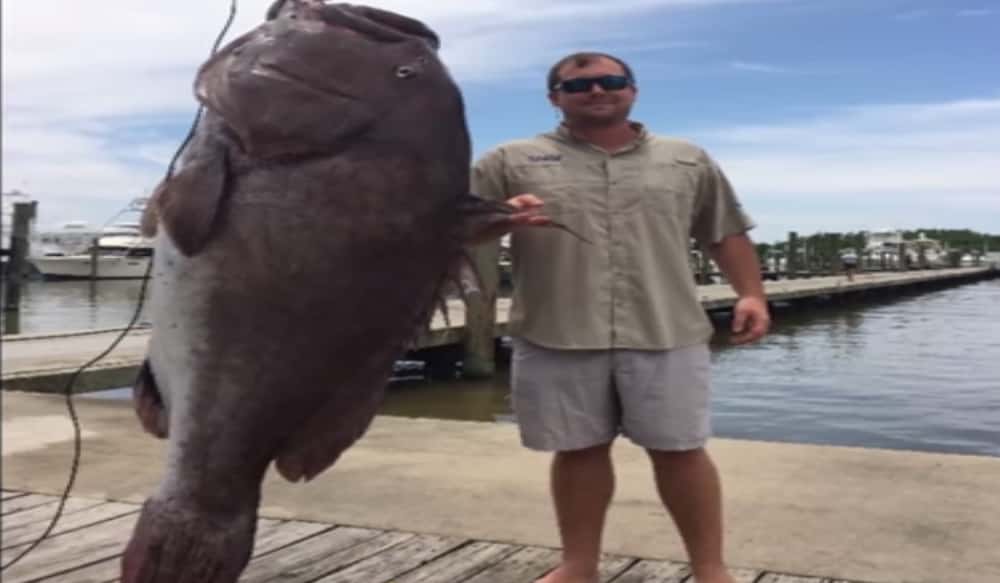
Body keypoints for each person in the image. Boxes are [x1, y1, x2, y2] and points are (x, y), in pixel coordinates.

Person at [469, 51, 771, 583]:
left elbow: (725, 231)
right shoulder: (506, 159)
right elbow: (448, 229)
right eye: (578, 85)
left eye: (611, 81)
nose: (597, 91)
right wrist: (497, 220)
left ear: (633, 90)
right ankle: (578, 566)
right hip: (555, 330)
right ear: (554, 98)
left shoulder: (687, 159)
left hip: (666, 329)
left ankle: (710, 570)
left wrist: (751, 294)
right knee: (578, 452)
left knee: (681, 452)